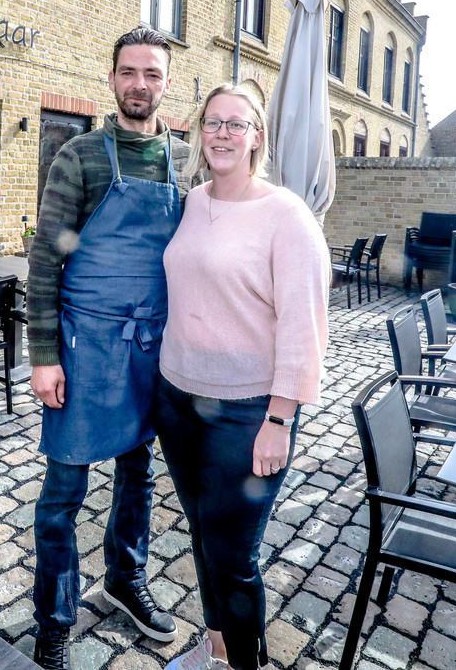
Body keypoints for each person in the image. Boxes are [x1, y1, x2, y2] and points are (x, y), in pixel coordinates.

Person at [26, 27, 192, 670]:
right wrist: (44, 356)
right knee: (64, 490)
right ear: (113, 77)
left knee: (138, 476)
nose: (139, 85)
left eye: (152, 74)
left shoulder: (185, 161)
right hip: (85, 345)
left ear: (166, 83)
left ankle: (125, 580)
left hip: (152, 347)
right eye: (129, 72)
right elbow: (46, 260)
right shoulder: (80, 156)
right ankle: (54, 620)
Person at [155, 82, 330, 670]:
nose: (223, 133)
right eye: (212, 123)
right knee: (203, 538)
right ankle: (218, 647)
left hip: (246, 411)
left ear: (257, 136)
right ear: (200, 135)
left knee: (232, 555)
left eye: (236, 124)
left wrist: (280, 419)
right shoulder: (193, 201)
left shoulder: (286, 216)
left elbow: (304, 327)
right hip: (177, 399)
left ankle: (244, 664)